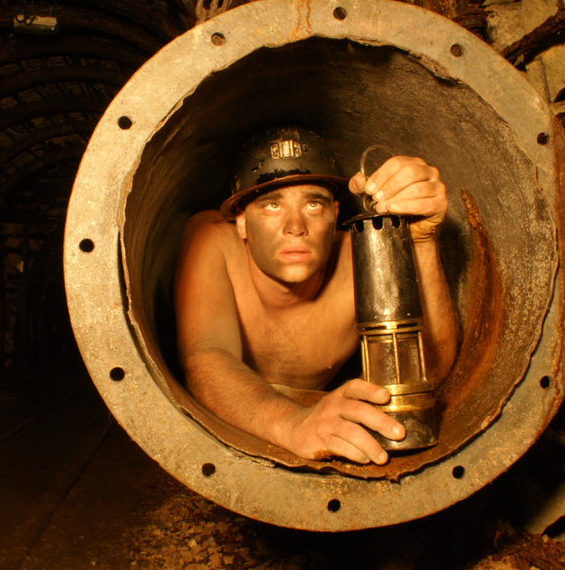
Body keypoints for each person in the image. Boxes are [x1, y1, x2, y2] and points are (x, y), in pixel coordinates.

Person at [175, 127, 459, 465]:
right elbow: (206, 359)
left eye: (313, 204)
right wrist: (293, 425)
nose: (295, 226)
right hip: (245, 421)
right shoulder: (214, 243)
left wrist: (421, 241)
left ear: (335, 215)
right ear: (240, 221)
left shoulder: (361, 261)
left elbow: (431, 370)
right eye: (271, 205)